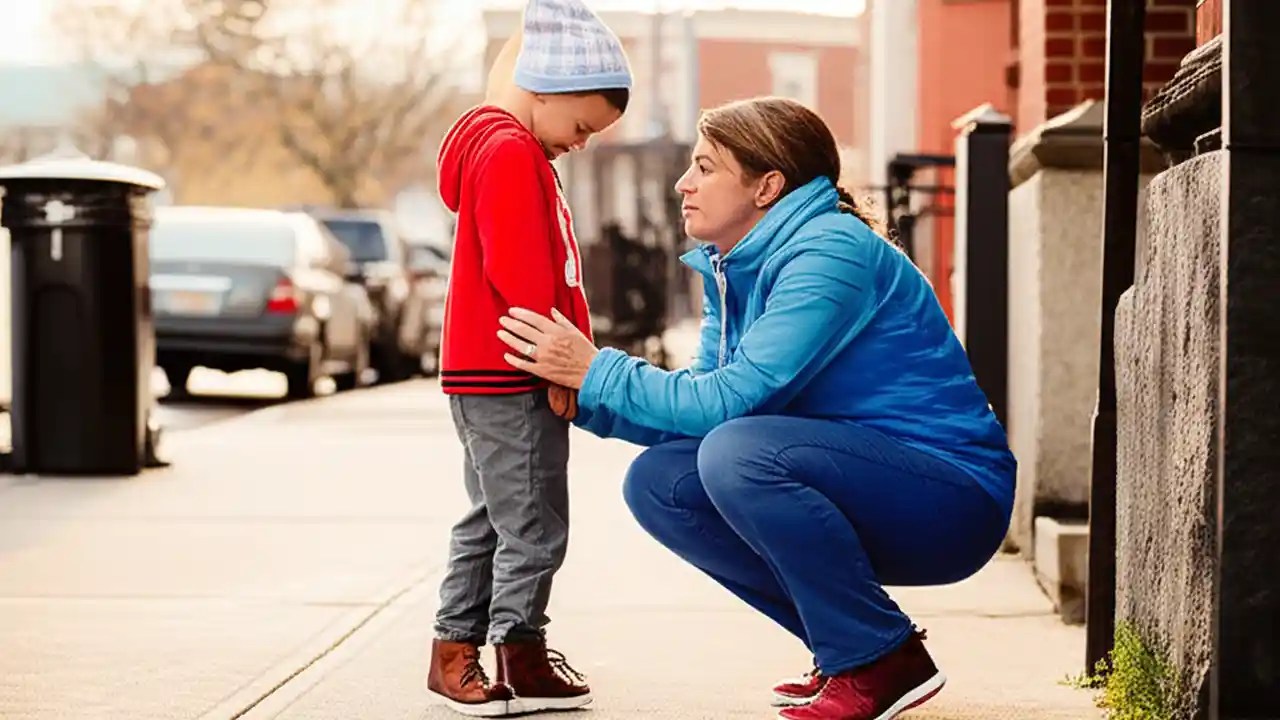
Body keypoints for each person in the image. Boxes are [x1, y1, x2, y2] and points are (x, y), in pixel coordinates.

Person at [494, 97, 1017, 720]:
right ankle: (850, 647)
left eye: (706, 167)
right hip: (865, 481)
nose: (683, 184)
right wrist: (585, 399)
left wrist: (597, 368)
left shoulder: (831, 253)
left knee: (736, 453)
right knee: (662, 483)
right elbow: (693, 407)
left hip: (950, 498)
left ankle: (877, 657)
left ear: (767, 185)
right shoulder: (733, 266)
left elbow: (727, 405)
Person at [427, 0, 632, 715]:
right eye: (582, 127)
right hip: (511, 375)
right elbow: (525, 280)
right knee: (536, 525)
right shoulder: (511, 152)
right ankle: (519, 654)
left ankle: (457, 652)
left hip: (484, 374)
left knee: (494, 516)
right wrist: (557, 370)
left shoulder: (501, 146)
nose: (581, 144)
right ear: (543, 87)